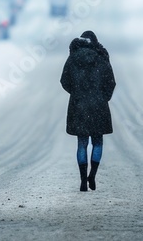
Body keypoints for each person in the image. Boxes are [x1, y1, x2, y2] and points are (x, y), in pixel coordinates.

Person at [60, 30, 116, 191]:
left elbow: (64, 80)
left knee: (82, 143)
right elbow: (111, 83)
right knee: (97, 142)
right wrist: (102, 97)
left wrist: (77, 93)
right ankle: (93, 175)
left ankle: (83, 180)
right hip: (99, 106)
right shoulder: (101, 58)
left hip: (79, 106)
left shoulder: (73, 58)